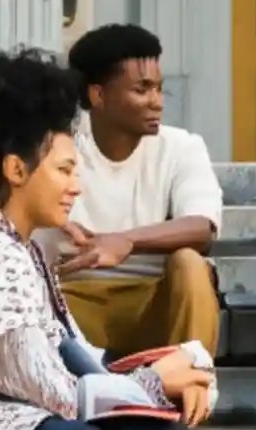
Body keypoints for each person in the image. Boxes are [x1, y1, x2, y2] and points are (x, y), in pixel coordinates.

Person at [0, 48, 214, 430]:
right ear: (16, 170)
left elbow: (79, 356)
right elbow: (49, 388)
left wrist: (183, 376)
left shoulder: (23, 248)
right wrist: (155, 381)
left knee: (157, 427)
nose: (76, 186)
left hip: (30, 421)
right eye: (64, 170)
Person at [37, 24, 225, 357]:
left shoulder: (182, 147)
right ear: (98, 95)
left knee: (191, 264)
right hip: (73, 300)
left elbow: (202, 227)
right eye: (142, 89)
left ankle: (194, 383)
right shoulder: (59, 148)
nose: (157, 102)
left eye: (159, 89)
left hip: (153, 303)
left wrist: (126, 241)